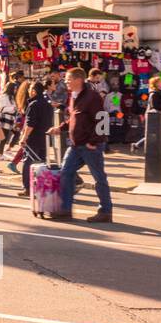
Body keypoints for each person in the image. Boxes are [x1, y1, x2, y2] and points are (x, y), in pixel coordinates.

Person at [58, 67, 113, 223]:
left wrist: (94, 142)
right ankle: (65, 209)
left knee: (99, 178)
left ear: (78, 80)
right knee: (65, 172)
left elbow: (103, 119)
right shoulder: (74, 96)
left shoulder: (92, 97)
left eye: (68, 79)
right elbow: (74, 118)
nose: (66, 82)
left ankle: (105, 211)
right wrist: (60, 128)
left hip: (90, 146)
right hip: (76, 145)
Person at [17, 82, 55, 200]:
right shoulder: (48, 103)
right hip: (45, 138)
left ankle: (27, 188)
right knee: (42, 163)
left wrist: (24, 138)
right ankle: (40, 187)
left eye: (30, 89)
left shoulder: (33, 104)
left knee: (28, 162)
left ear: (34, 91)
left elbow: (30, 124)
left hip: (33, 139)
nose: (29, 92)